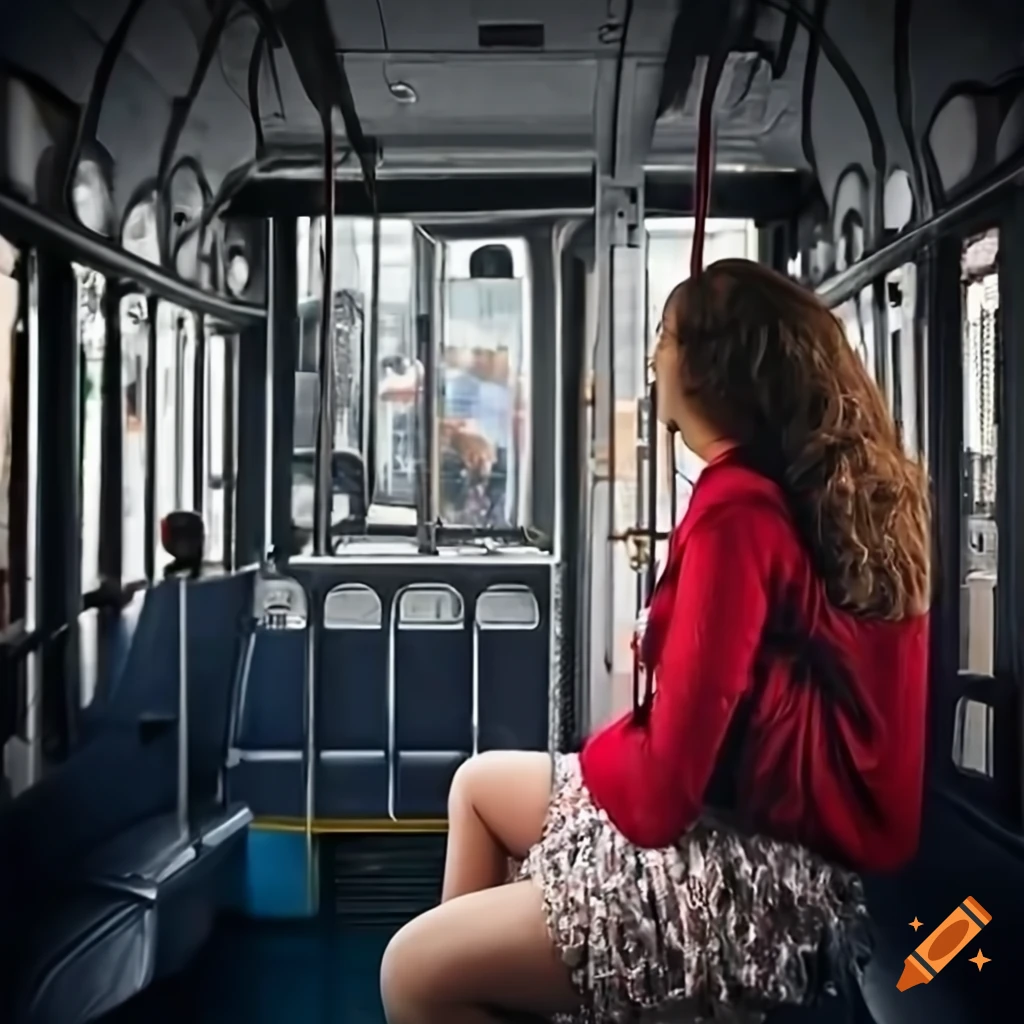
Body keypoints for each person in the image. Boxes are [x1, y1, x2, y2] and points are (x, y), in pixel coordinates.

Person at [379, 259, 931, 1024]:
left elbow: (664, 797)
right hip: (781, 840)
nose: (653, 357)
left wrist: (613, 743)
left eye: (665, 337)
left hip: (747, 874)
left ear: (711, 369)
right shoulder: (790, 491)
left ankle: (476, 975)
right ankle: (500, 974)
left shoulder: (736, 512)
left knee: (413, 973)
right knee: (477, 786)